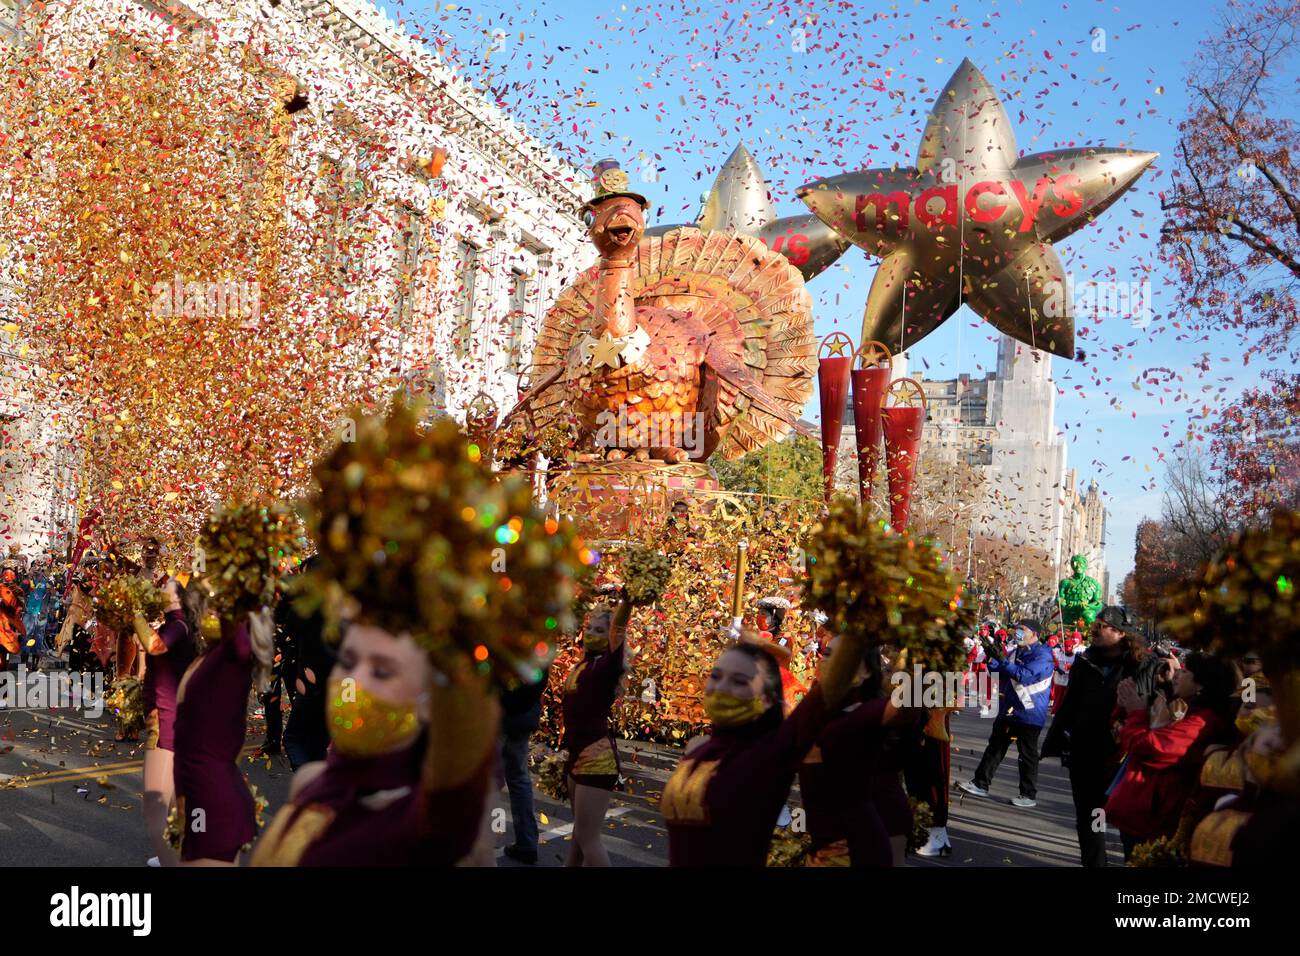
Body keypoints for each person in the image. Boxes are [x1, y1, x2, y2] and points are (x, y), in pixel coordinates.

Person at [658, 623, 869, 867]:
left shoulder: (772, 751)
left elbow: (830, 683)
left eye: (739, 681)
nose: (722, 686)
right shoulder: (697, 747)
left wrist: (858, 615)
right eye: (716, 676)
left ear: (767, 698)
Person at [798, 642, 924, 866]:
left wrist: (924, 664)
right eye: (827, 653)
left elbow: (905, 709)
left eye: (844, 656)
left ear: (866, 671)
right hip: (824, 843)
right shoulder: (818, 706)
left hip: (865, 835)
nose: (830, 661)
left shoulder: (866, 711)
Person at [1041, 605, 1146, 866]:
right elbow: (1070, 704)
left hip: (1122, 758)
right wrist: (1061, 738)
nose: (1094, 630)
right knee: (1091, 818)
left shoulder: (1141, 665)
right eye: (1094, 625)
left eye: (1101, 626)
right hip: (1085, 755)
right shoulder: (1085, 660)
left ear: (1121, 633)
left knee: (1127, 823)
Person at [1105, 652, 1235, 859]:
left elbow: (1149, 747)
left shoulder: (1202, 722)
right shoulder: (1188, 710)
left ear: (1201, 685)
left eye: (1184, 671)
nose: (1177, 674)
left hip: (1156, 818)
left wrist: (1136, 712)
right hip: (1147, 813)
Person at [171, 610, 272, 866]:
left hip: (212, 803)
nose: (213, 608)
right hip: (198, 801)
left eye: (223, 603)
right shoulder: (208, 656)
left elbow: (238, 643)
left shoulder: (231, 656)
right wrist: (181, 796)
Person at [130, 576, 202, 866]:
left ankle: (175, 861)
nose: (159, 591)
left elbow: (154, 646)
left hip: (166, 722)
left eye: (165, 589)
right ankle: (183, 854)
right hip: (169, 718)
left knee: (155, 806)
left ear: (178, 598)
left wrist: (133, 610)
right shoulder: (179, 624)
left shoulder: (179, 625)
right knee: (173, 801)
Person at [561, 593, 633, 867]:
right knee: (579, 836)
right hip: (575, 756)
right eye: (589, 627)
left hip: (597, 759)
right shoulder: (583, 665)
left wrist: (626, 603)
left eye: (599, 630)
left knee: (589, 839)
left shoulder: (606, 666)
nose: (591, 632)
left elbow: (619, 629)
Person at [959, 619, 1054, 808]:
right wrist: (990, 655)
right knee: (995, 747)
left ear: (1035, 634)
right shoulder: (1015, 651)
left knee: (1026, 755)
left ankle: (1028, 795)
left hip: (1029, 712)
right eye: (1016, 629)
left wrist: (1002, 660)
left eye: (1022, 630)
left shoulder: (1043, 655)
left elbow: (1024, 675)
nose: (1017, 633)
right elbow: (998, 671)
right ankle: (980, 783)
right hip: (1008, 709)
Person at [499, 665, 548, 865]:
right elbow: (540, 677)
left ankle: (478, 845)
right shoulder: (538, 638)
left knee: (486, 780)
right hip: (523, 715)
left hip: (498, 713)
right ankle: (527, 842)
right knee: (519, 778)